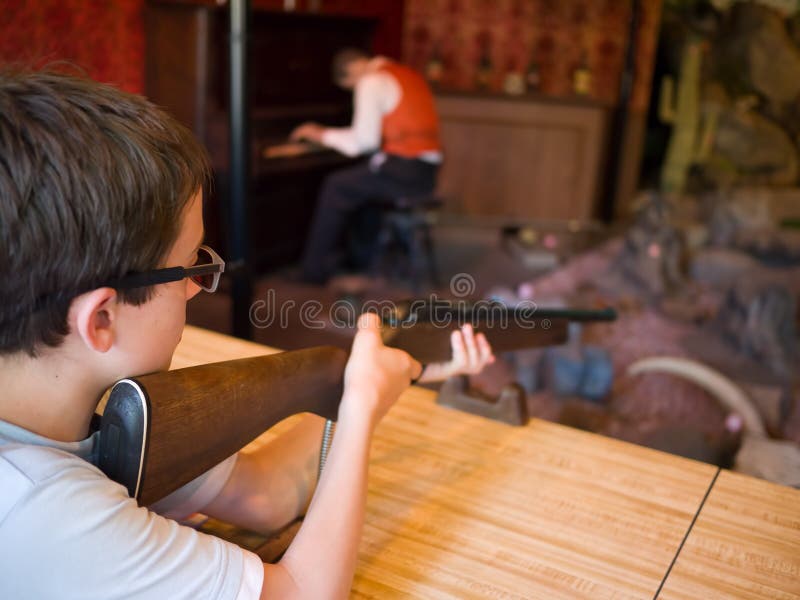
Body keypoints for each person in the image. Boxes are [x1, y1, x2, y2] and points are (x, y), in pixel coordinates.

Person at [0, 70, 493, 599]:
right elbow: (305, 593)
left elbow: (266, 496)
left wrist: (378, 375)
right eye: (189, 268)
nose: (197, 288)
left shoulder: (84, 409)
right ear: (101, 319)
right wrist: (358, 413)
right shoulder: (40, 507)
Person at [291, 48, 442, 285]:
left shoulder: (371, 81)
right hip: (425, 171)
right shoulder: (405, 73)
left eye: (350, 87)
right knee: (360, 182)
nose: (355, 90)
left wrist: (319, 134)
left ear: (351, 71)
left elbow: (364, 142)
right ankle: (358, 259)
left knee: (336, 185)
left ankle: (312, 272)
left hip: (405, 170)